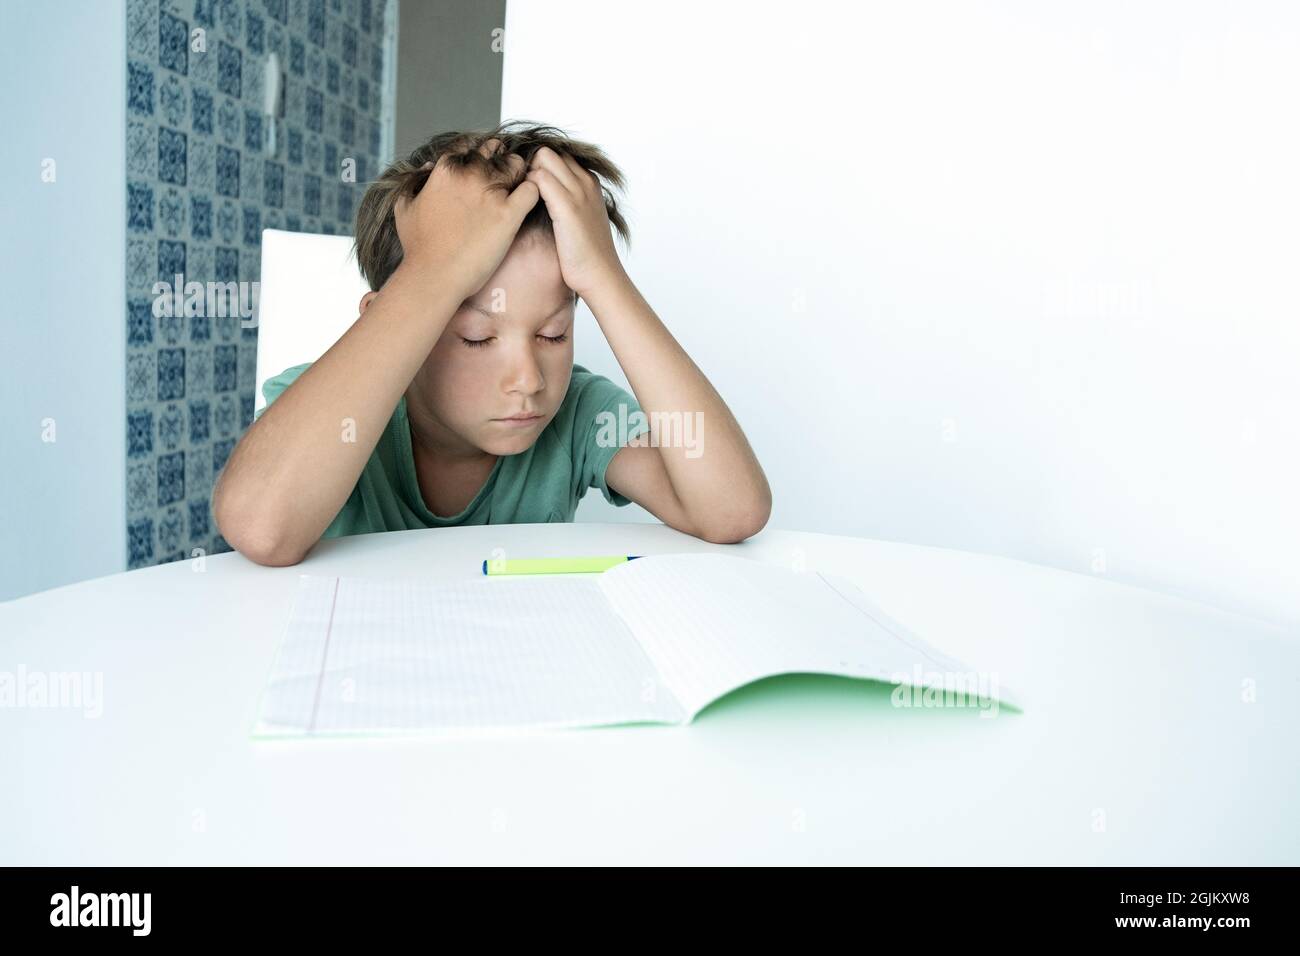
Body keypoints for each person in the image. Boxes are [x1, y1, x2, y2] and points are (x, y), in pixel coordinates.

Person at [213, 121, 771, 566]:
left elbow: (732, 511)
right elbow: (261, 528)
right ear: (393, 322)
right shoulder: (335, 411)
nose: (529, 379)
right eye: (478, 337)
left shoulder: (577, 417)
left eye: (554, 332)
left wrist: (605, 278)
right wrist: (432, 273)